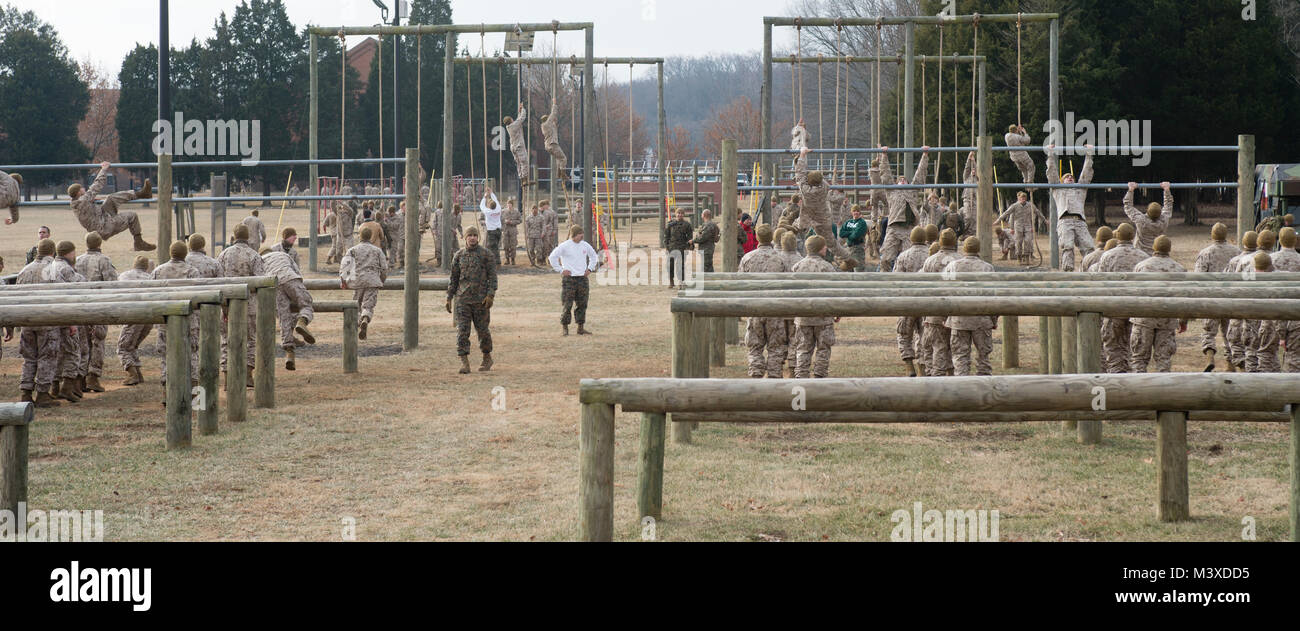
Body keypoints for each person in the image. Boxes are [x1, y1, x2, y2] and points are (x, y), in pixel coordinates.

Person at [794, 146, 861, 270]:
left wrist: (802, 156)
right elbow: (807, 177)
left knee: (793, 230)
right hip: (822, 218)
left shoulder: (806, 190)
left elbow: (800, 175)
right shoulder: (825, 186)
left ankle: (787, 250)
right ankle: (847, 258)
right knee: (831, 243)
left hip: (807, 216)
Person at [738, 224, 791, 378]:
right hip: (775, 308)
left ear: (757, 237)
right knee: (776, 347)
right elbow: (787, 285)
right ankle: (774, 379)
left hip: (754, 308)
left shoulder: (747, 258)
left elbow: (740, 284)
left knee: (755, 347)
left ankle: (755, 378)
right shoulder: (780, 259)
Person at [443, 225, 497, 374]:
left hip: (481, 300)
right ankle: (464, 362)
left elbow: (493, 277)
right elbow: (453, 279)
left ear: (477, 237)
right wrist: (449, 297)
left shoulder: (486, 255)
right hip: (462, 300)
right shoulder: (459, 256)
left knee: (483, 331)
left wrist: (490, 295)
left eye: (474, 235)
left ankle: (487, 357)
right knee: (462, 331)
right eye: (470, 235)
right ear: (465, 238)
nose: (472, 237)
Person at [68, 162, 156, 251]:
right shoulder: (84, 200)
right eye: (81, 188)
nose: (83, 188)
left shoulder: (77, 203)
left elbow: (86, 206)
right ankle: (139, 243)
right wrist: (104, 169)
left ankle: (141, 194)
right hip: (104, 227)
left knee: (111, 198)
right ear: (78, 192)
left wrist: (91, 202)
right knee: (132, 216)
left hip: (102, 219)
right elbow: (97, 185)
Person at [1129, 236, 1187, 372]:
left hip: (1143, 318)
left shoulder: (1141, 266)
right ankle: (1164, 391)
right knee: (1164, 360)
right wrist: (1183, 320)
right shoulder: (1179, 269)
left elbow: (1133, 292)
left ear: (1154, 248)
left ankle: (1138, 390)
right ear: (1169, 249)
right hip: (1167, 319)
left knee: (1138, 360)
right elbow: (1184, 297)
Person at [216, 224, 263, 389]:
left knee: (225, 341)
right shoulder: (254, 255)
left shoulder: (223, 255)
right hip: (249, 305)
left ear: (234, 236)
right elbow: (260, 282)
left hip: (227, 306)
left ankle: (227, 377)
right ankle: (248, 375)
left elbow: (218, 280)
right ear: (248, 236)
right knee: (250, 340)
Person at [16, 239, 61, 407]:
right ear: (53, 251)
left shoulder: (24, 270)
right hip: (47, 320)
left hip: (26, 321)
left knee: (29, 358)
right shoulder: (53, 269)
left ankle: (25, 393)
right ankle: (43, 394)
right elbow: (63, 294)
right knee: (47, 357)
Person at [1096, 223, 1145, 372]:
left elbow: (1100, 283)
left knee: (1112, 348)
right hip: (1135, 309)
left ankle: (1116, 378)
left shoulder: (1107, 256)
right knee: (1133, 350)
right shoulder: (1143, 257)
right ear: (1132, 236)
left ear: (1117, 237)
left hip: (1113, 308)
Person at [153, 241, 201, 396]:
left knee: (167, 356)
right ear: (185, 254)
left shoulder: (158, 271)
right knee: (192, 355)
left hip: (165, 321)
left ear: (170, 253)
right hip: (189, 321)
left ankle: (167, 393)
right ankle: (195, 394)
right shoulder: (192, 272)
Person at [944, 237, 998, 375]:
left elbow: (946, 293)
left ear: (964, 249)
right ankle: (983, 390)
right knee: (983, 358)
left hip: (958, 318)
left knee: (960, 358)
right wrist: (993, 319)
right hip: (982, 318)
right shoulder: (988, 268)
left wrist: (946, 317)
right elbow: (993, 296)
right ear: (978, 249)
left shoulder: (952, 266)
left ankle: (962, 390)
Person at [261, 239, 316, 371]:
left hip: (273, 284)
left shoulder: (261, 261)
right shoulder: (283, 255)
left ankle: (289, 351)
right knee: (306, 304)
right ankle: (302, 321)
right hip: (290, 277)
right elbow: (297, 272)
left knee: (283, 316)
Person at [876, 145, 931, 272]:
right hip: (894, 227)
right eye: (900, 179)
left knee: (909, 258)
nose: (902, 180)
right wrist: (884, 156)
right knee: (885, 258)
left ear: (908, 182)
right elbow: (885, 175)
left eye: (904, 179)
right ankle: (886, 281)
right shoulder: (892, 190)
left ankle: (907, 280)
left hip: (909, 228)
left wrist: (925, 155)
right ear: (896, 182)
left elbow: (920, 175)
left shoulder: (912, 190)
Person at [790, 234, 839, 378]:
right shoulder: (827, 267)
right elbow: (835, 292)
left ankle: (801, 377)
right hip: (823, 317)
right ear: (820, 249)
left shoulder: (797, 267)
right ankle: (819, 377)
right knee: (824, 349)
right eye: (824, 246)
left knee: (803, 349)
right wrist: (837, 310)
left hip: (803, 316)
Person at [75, 232, 117, 393]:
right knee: (98, 341)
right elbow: (112, 284)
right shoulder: (104, 260)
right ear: (100, 243)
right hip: (99, 306)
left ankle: (80, 378)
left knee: (82, 343)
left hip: (80, 307)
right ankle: (93, 376)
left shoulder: (77, 260)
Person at [1195, 223, 1241, 371]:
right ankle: (1230, 363)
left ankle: (1209, 357)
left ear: (1212, 235)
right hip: (1230, 298)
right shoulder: (1237, 252)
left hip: (1212, 298)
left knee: (1208, 331)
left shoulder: (1205, 253)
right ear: (1226, 234)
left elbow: (1198, 278)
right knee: (1230, 333)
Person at [1045, 144, 1096, 271]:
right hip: (1065, 220)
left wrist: (1089, 154)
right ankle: (1068, 272)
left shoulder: (1080, 189)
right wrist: (1050, 154)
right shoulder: (1058, 189)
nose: (1070, 177)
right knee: (1067, 247)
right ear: (1062, 180)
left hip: (1080, 221)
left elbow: (1086, 174)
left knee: (1089, 246)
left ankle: (1090, 270)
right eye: (1067, 176)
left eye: (1071, 176)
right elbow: (1052, 174)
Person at [46, 240, 86, 401]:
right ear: (69, 253)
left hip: (52, 316)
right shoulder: (66, 269)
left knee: (57, 353)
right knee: (73, 352)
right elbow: (81, 284)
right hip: (66, 314)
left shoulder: (51, 266)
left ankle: (54, 387)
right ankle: (67, 388)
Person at [920, 229, 961, 376]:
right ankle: (953, 380)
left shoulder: (930, 261)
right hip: (957, 312)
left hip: (935, 311)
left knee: (938, 347)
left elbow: (924, 288)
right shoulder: (960, 259)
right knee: (957, 350)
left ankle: (937, 381)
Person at [892, 226, 930, 377]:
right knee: (923, 335)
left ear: (912, 239)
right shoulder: (930, 255)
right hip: (926, 302)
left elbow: (896, 279)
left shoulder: (903, 256)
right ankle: (922, 367)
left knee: (903, 334)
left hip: (907, 301)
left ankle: (909, 365)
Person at [548, 224, 600, 336]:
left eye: (582, 234)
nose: (582, 236)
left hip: (582, 278)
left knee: (582, 304)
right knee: (567, 304)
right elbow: (552, 257)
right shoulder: (565, 246)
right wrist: (561, 270)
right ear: (574, 235)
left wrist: (590, 269)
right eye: (580, 234)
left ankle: (580, 328)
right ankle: (565, 327)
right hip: (569, 279)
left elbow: (594, 256)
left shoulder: (585, 245)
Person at [341, 226, 388, 341]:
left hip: (357, 281)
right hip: (372, 280)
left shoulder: (352, 250)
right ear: (370, 237)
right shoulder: (377, 250)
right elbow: (384, 269)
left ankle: (358, 321)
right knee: (368, 304)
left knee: (357, 303)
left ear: (359, 236)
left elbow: (345, 266)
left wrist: (344, 280)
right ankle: (365, 318)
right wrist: (381, 280)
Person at [1225, 231, 1260, 372]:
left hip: (1240, 305)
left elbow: (1229, 283)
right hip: (1261, 309)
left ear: (1244, 243)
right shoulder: (1266, 259)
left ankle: (1240, 368)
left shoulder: (1236, 261)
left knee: (1235, 339)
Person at [117, 256, 155, 386]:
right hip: (150, 318)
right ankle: (138, 374)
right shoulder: (151, 278)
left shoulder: (125, 275)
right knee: (132, 345)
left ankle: (132, 374)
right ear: (146, 267)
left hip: (133, 314)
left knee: (123, 347)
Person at [996, 191, 1048, 266]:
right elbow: (1006, 213)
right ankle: (1019, 257)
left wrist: (1044, 220)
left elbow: (1038, 212)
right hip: (1018, 226)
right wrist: (998, 220)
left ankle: (1027, 257)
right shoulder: (1014, 206)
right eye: (1021, 197)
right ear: (1019, 198)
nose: (1023, 199)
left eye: (1024, 198)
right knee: (1018, 242)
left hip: (1027, 226)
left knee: (1028, 240)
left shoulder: (1030, 205)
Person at [1123, 181, 1173, 255]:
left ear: (1147, 211)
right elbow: (1168, 205)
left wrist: (1131, 190)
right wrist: (1167, 190)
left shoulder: (1141, 220)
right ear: (1160, 213)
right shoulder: (1164, 220)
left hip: (1141, 254)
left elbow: (1128, 206)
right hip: (1156, 254)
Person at [664, 208, 694, 289]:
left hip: (682, 247)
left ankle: (681, 282)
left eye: (681, 213)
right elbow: (666, 236)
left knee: (680, 266)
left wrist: (689, 247)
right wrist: (666, 247)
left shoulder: (687, 225)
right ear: (675, 214)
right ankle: (671, 281)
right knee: (669, 265)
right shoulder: (670, 224)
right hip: (671, 248)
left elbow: (690, 237)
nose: (679, 215)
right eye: (678, 213)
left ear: (683, 214)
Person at [541, 98, 568, 182]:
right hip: (552, 144)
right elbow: (553, 113)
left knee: (558, 159)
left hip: (548, 146)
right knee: (563, 158)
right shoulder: (547, 123)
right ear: (547, 119)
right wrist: (554, 103)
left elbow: (553, 127)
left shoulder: (544, 126)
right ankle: (563, 175)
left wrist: (554, 124)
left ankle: (559, 174)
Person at [324, 192, 355, 265]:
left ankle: (349, 263)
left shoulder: (349, 213)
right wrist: (334, 199)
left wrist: (342, 203)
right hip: (340, 235)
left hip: (348, 235)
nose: (342, 209)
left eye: (343, 208)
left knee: (350, 251)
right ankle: (342, 264)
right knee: (338, 252)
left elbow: (349, 209)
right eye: (340, 208)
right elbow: (333, 207)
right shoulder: (338, 214)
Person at [504, 103, 531, 186]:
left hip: (513, 147)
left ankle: (522, 178)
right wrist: (522, 109)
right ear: (511, 120)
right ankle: (525, 179)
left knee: (518, 163)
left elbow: (517, 120)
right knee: (524, 161)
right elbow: (522, 118)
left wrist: (519, 111)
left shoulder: (509, 127)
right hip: (518, 146)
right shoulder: (514, 125)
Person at [838, 205, 871, 272]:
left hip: (858, 249)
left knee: (858, 270)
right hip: (848, 249)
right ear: (851, 212)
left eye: (857, 211)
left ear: (860, 212)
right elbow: (841, 233)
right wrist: (852, 232)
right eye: (854, 211)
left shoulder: (862, 222)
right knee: (849, 270)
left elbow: (856, 236)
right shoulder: (848, 222)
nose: (856, 212)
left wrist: (848, 233)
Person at [692, 209, 721, 273]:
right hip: (709, 248)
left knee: (705, 268)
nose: (701, 215)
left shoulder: (708, 225)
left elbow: (702, 237)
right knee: (708, 266)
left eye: (702, 214)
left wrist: (693, 241)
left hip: (706, 249)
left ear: (704, 215)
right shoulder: (713, 225)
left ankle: (708, 281)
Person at [480, 187, 503, 265]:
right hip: (498, 231)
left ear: (489, 206)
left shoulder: (488, 211)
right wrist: (491, 193)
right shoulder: (499, 209)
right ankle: (495, 262)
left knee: (493, 248)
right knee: (496, 246)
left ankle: (496, 262)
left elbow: (481, 206)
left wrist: (485, 197)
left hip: (491, 231)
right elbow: (496, 200)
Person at [501, 197, 522, 266]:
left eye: (510, 204)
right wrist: (505, 221)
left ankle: (513, 259)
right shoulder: (503, 211)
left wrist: (512, 222)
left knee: (513, 246)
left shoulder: (516, 212)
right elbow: (500, 220)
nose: (509, 205)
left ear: (512, 205)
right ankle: (507, 259)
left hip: (513, 231)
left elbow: (520, 220)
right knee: (505, 246)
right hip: (505, 231)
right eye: (508, 204)